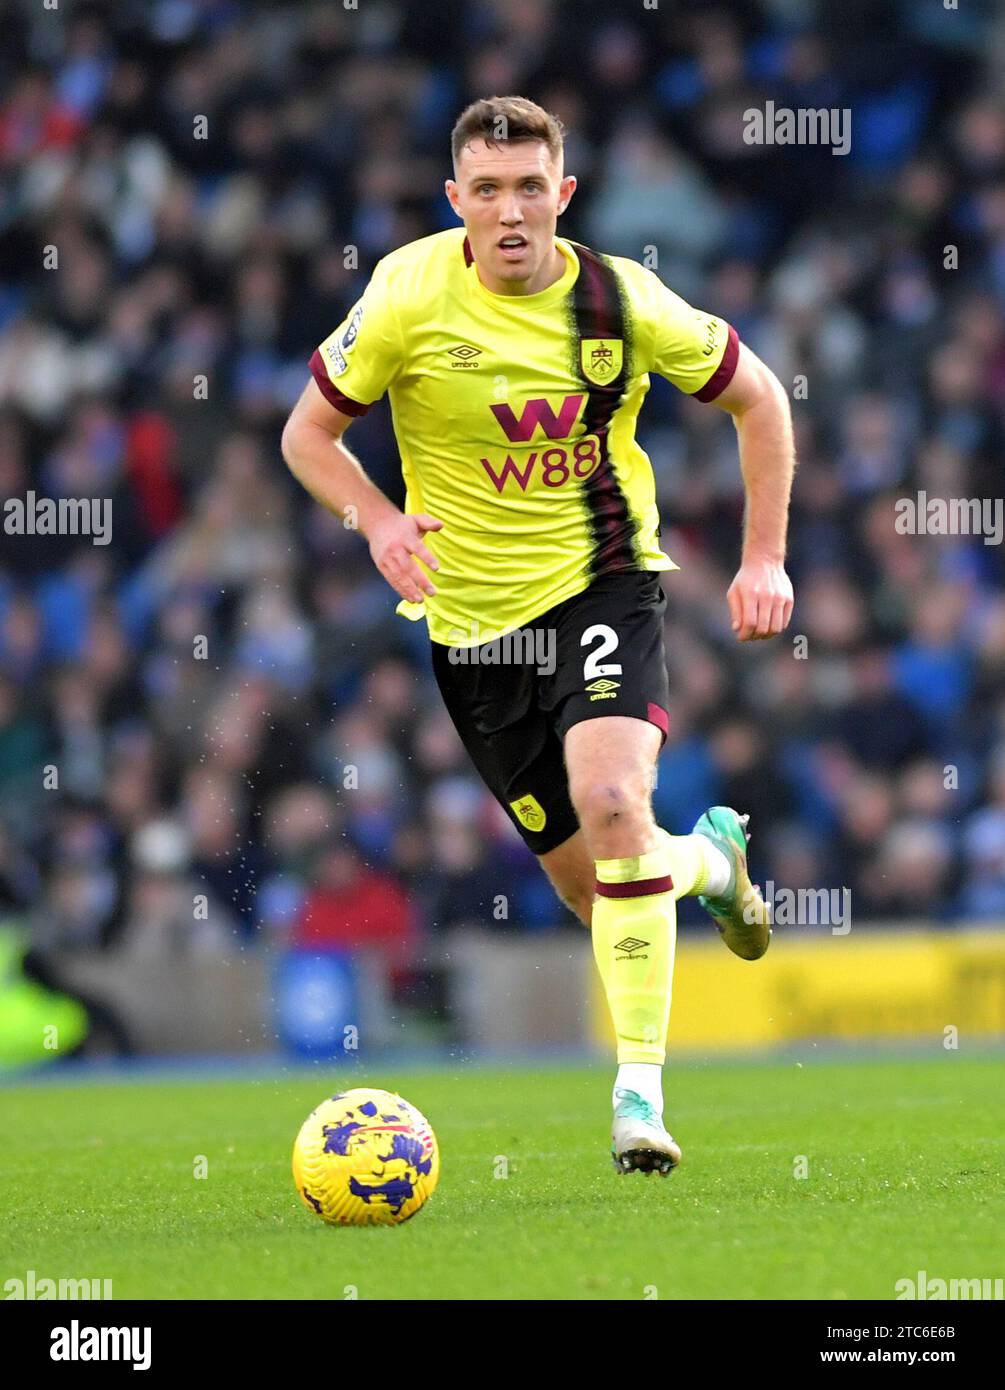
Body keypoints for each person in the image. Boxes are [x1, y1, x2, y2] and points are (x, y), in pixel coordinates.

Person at [282, 95, 795, 1174]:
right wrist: (377, 518)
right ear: (455, 200)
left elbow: (760, 401)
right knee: (595, 886)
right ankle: (711, 862)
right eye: (487, 190)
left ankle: (638, 1099)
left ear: (563, 194)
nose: (510, 211)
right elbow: (308, 434)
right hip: (472, 631)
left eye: (529, 188)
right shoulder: (405, 295)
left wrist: (763, 558)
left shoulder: (620, 300)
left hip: (601, 587)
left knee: (612, 803)